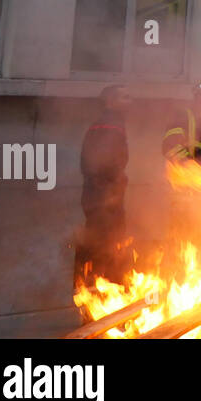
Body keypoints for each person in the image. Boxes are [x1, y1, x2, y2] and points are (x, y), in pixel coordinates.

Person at [76, 85, 134, 288]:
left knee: (100, 241)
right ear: (110, 102)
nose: (130, 102)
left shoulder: (105, 124)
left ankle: (95, 285)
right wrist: (112, 186)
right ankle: (102, 287)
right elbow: (103, 162)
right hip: (104, 197)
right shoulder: (111, 125)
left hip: (99, 195)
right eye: (124, 97)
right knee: (106, 244)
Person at [162, 77, 201, 167]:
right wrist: (190, 167)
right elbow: (170, 146)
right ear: (198, 98)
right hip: (183, 178)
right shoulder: (183, 116)